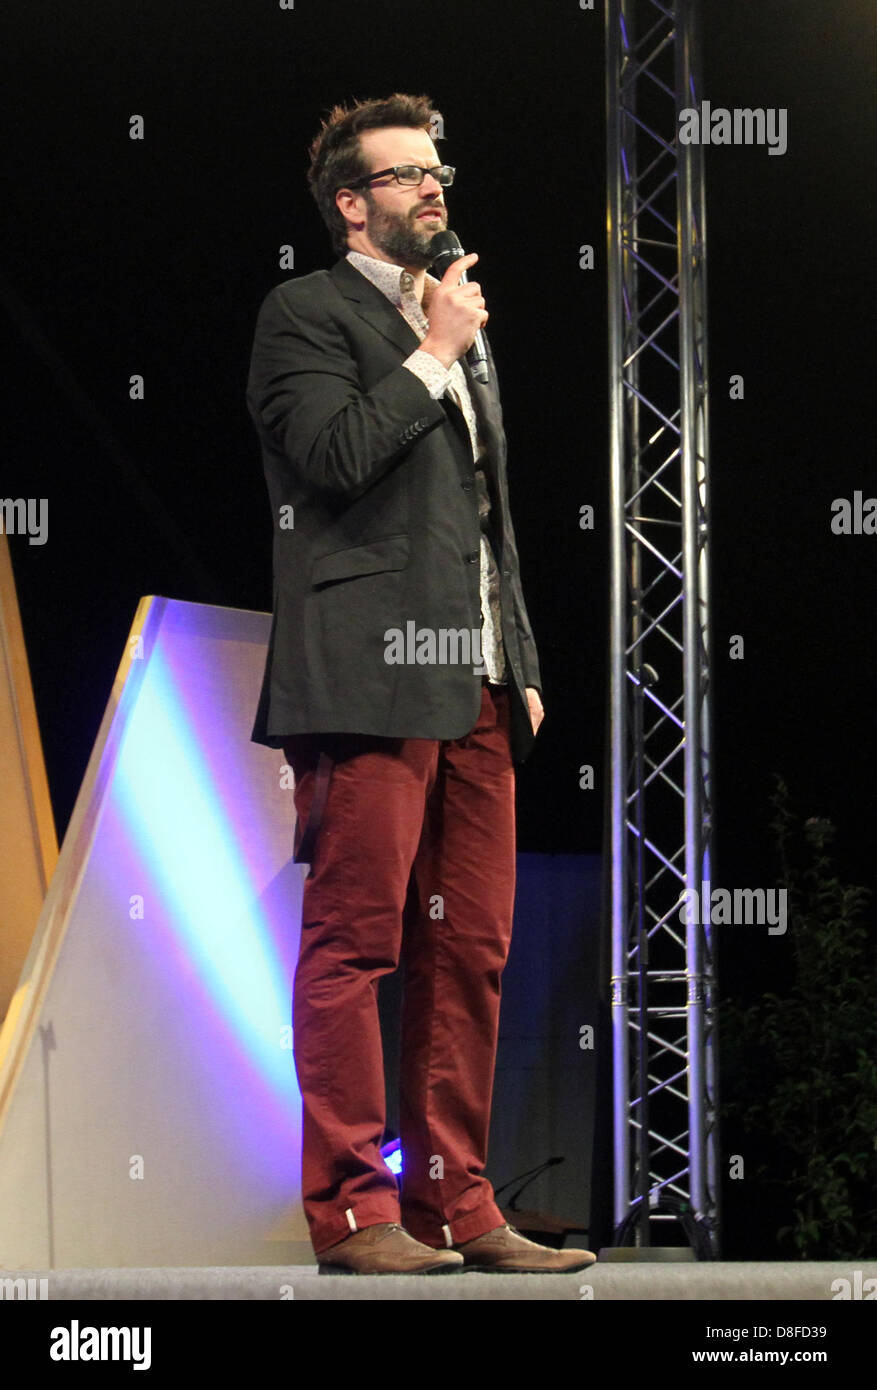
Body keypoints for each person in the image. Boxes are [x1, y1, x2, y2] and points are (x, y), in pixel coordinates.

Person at [246, 92, 595, 1275]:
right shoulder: (305, 312)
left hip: (480, 682)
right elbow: (336, 459)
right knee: (354, 945)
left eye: (437, 171)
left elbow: (489, 521)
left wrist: (526, 663)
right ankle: (351, 1210)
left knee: (472, 949)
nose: (431, 187)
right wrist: (432, 349)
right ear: (351, 204)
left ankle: (457, 1203)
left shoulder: (464, 325)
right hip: (366, 679)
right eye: (402, 176)